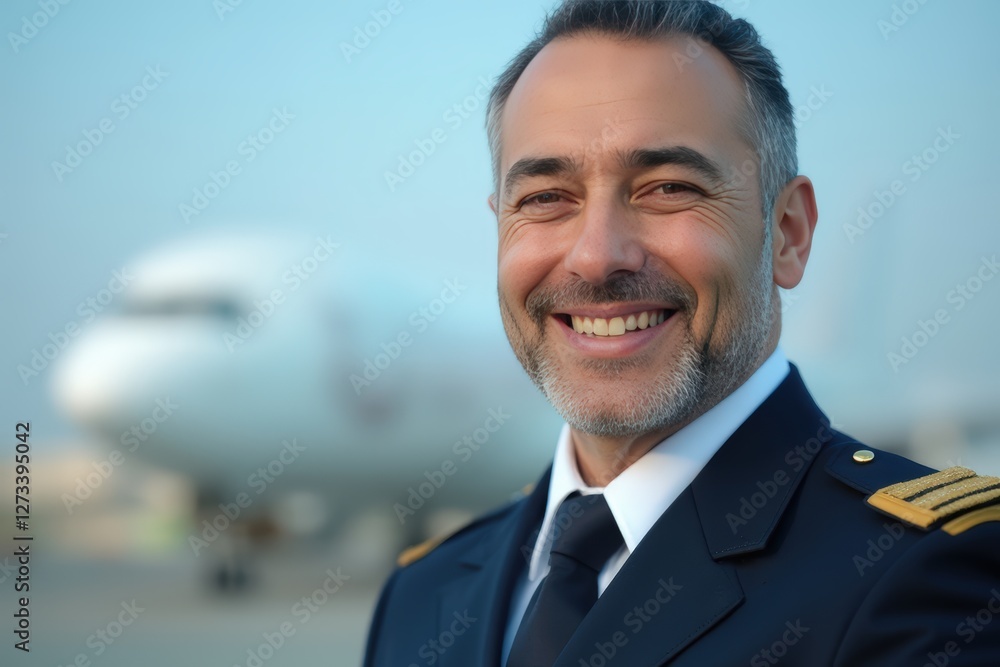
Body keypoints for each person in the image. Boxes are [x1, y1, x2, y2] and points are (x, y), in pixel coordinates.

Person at [363, 2, 1000, 665]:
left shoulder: (925, 579)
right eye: (546, 197)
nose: (596, 255)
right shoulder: (420, 593)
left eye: (668, 187)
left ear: (787, 233)